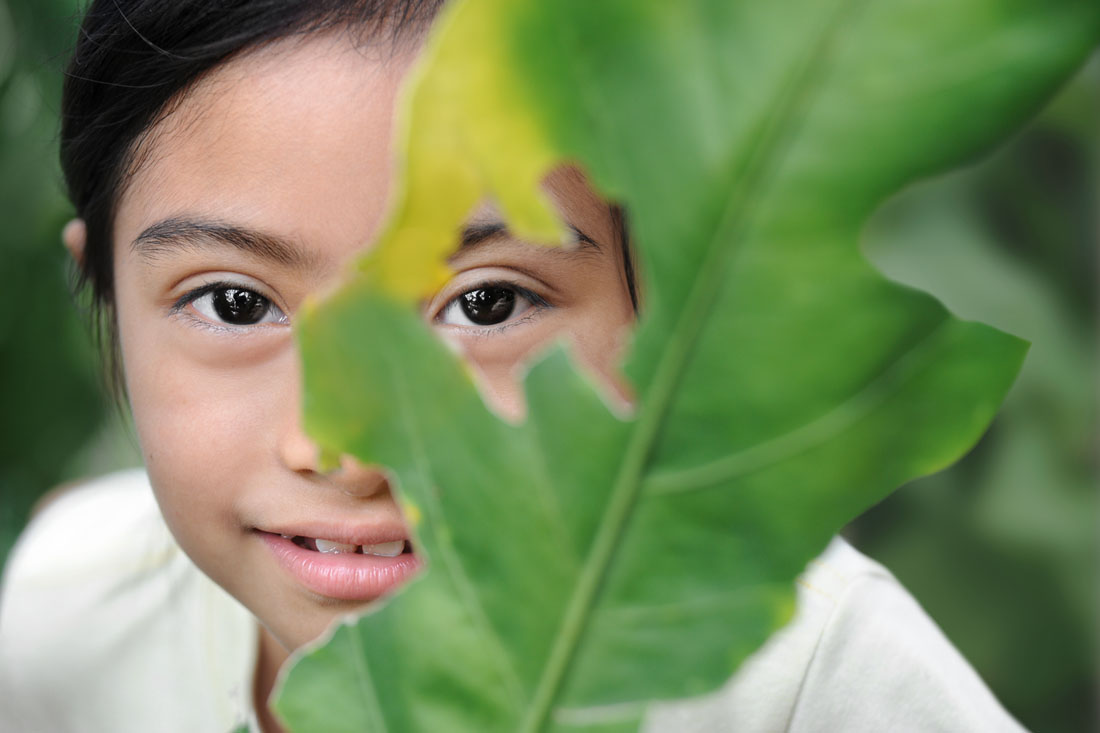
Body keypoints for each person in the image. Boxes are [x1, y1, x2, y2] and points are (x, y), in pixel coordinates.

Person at [0, 1, 1028, 731]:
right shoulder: (72, 621)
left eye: (486, 303)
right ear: (107, 303)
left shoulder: (807, 682)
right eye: (235, 303)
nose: (340, 448)